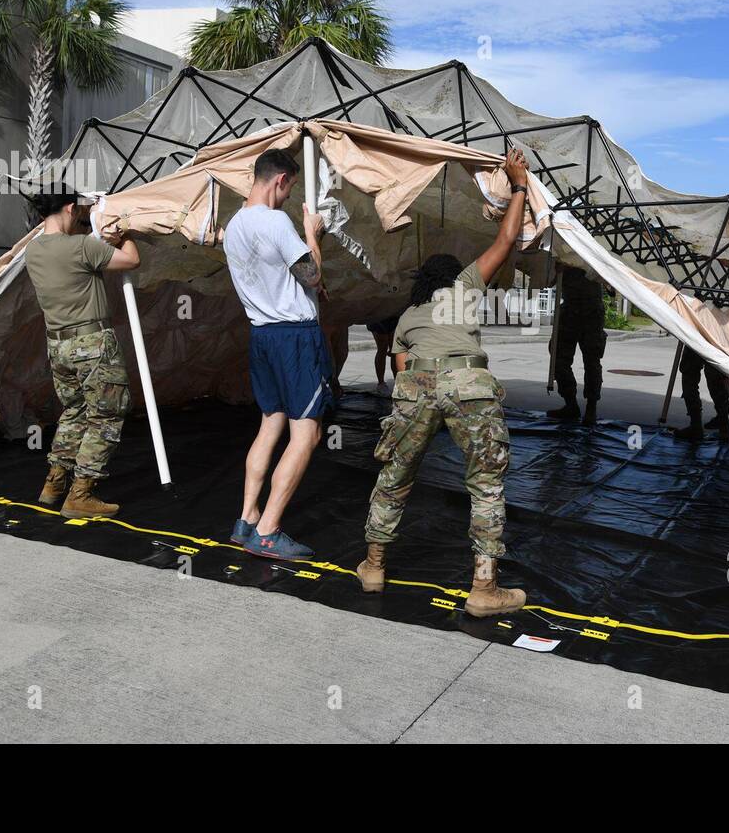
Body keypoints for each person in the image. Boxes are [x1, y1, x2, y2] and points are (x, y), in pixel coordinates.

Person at [357, 148, 532, 617]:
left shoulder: (408, 315)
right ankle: (484, 588)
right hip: (468, 382)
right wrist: (517, 184)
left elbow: (399, 373)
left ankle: (373, 567)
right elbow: (509, 236)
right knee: (485, 483)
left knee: (394, 477)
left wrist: (420, 409)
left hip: (417, 383)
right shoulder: (465, 288)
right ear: (451, 278)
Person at [224, 148, 331, 560]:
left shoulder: (234, 226)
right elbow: (312, 274)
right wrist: (312, 234)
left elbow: (275, 274)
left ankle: (246, 518)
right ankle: (268, 530)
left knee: (271, 423)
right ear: (281, 180)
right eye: (290, 188)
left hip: (261, 335)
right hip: (295, 338)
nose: (289, 196)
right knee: (308, 433)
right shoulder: (275, 221)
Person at [26, 187, 140, 517]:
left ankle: (54, 482)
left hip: (57, 345)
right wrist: (124, 231)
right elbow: (132, 259)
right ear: (71, 209)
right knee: (106, 415)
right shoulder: (81, 246)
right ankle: (81, 494)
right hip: (91, 343)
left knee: (74, 411)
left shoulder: (33, 251)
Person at [546, 263, 605, 426]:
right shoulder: (560, 248)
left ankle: (591, 408)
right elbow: (548, 280)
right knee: (558, 358)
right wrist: (557, 270)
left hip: (591, 310)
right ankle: (571, 404)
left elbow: (607, 278)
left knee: (592, 361)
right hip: (570, 310)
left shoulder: (592, 247)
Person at [670, 349, 729, 441]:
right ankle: (703, 426)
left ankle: (721, 426)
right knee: (695, 378)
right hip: (703, 341)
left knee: (713, 381)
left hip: (710, 342)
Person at [365, 312, 401, 393]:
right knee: (382, 348)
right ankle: (381, 382)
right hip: (377, 315)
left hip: (392, 314)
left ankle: (397, 381)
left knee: (394, 349)